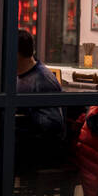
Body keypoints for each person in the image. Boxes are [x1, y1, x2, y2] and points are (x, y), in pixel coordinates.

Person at [14, 29, 66, 172]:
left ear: (16, 54)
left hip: (41, 149)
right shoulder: (20, 75)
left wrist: (22, 116)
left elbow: (53, 124)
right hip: (26, 142)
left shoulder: (42, 80)